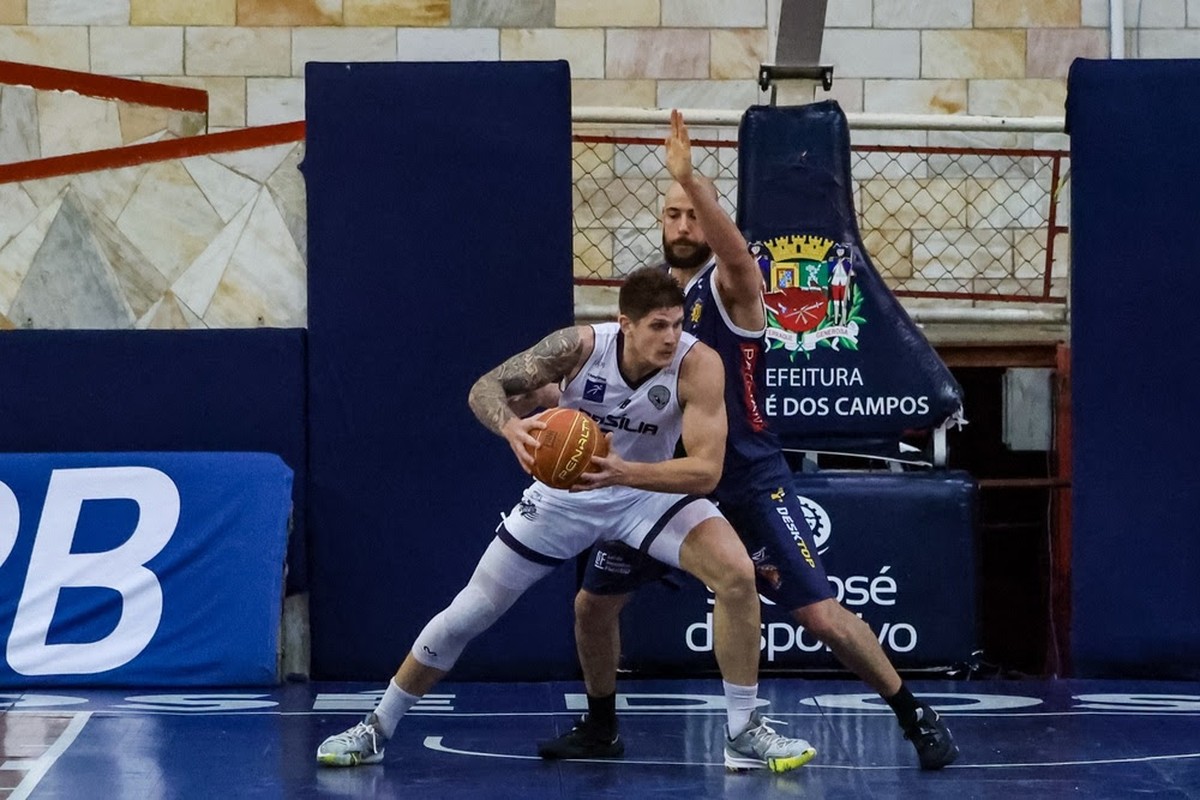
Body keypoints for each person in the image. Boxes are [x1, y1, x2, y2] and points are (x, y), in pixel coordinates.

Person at [536, 111, 959, 771]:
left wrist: (692, 179)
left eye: (693, 215)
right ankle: (600, 725)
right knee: (593, 605)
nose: (683, 226)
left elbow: (736, 253)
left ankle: (913, 712)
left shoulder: (731, 290)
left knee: (818, 615)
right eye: (672, 215)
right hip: (663, 484)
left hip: (745, 478)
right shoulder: (656, 308)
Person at [316, 267, 816, 773]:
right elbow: (484, 386)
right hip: (565, 496)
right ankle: (376, 727)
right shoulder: (577, 348)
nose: (671, 337)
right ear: (625, 323)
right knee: (468, 613)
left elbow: (706, 472)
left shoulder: (699, 364)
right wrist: (512, 429)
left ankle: (742, 732)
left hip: (644, 490)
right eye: (657, 327)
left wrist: (624, 470)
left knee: (736, 573)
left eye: (676, 323)